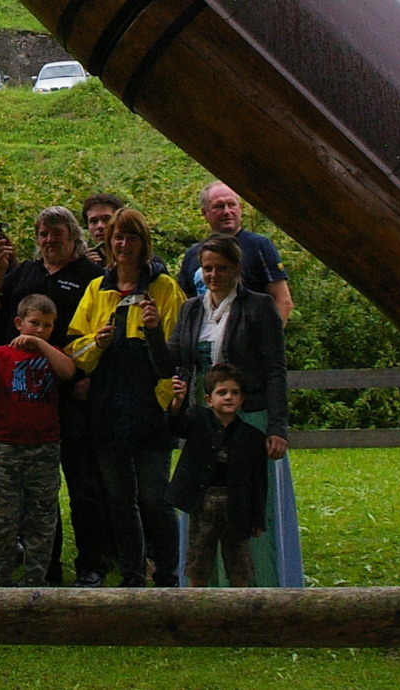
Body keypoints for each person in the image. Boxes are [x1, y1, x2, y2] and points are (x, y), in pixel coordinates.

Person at [0, 206, 110, 586]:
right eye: (42, 233)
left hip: (72, 391)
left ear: (73, 237)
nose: (49, 240)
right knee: (35, 496)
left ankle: (91, 563)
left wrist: (88, 376)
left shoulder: (92, 275)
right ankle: (45, 569)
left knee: (82, 485)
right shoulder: (23, 272)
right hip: (20, 395)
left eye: (57, 233)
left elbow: (101, 329)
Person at [157, 233, 293, 586]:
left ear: (236, 268)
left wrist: (277, 426)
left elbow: (276, 369)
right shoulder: (191, 310)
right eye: (206, 269)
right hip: (205, 419)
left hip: (249, 415)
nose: (213, 276)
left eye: (220, 268)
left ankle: (260, 584)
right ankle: (204, 587)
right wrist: (151, 332)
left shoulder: (259, 306)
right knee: (204, 498)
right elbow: (170, 358)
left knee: (247, 501)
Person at [67, 207, 185, 588]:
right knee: (118, 498)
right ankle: (132, 573)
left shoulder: (164, 288)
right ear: (108, 242)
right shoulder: (96, 289)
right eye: (117, 237)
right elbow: (75, 354)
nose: (123, 244)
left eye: (131, 237)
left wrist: (151, 330)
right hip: (107, 405)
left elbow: (174, 358)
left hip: (150, 405)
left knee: (155, 497)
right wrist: (95, 342)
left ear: (143, 243)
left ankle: (167, 574)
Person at [0, 292, 75, 586]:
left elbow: (68, 372)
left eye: (48, 325)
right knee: (1, 519)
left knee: (42, 519)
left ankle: (35, 581)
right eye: (34, 323)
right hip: (6, 446)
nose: (40, 330)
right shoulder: (2, 354)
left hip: (45, 446)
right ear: (19, 322)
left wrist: (41, 344)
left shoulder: (52, 353)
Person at [166, 365, 267, 587]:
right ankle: (196, 610)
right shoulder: (197, 420)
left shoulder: (253, 438)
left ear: (242, 399)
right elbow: (176, 425)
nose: (229, 397)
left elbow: (259, 481)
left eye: (235, 392)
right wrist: (177, 402)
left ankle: (240, 609)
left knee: (239, 564)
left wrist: (257, 518)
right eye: (222, 392)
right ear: (209, 399)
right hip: (203, 503)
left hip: (237, 506)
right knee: (198, 562)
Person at [179, 182, 293, 324]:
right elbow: (184, 304)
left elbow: (283, 300)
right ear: (204, 212)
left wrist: (271, 339)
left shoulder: (259, 246)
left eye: (231, 204)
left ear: (240, 208)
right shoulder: (193, 254)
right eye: (219, 206)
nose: (227, 211)